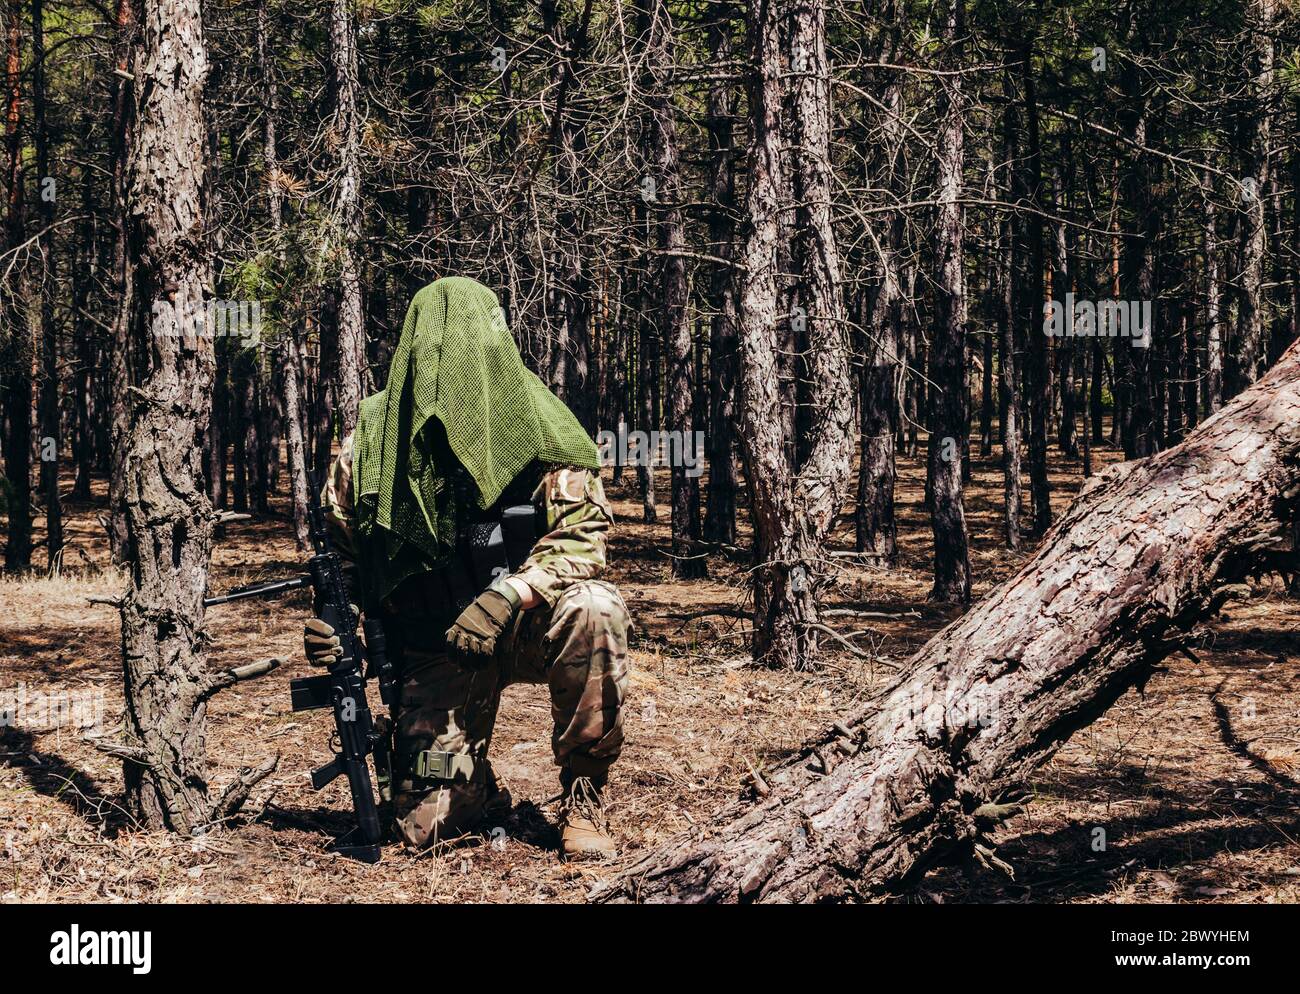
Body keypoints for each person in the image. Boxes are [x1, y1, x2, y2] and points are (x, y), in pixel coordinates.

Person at [302, 276, 630, 859]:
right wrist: (332, 624)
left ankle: (585, 795)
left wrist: (511, 594)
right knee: (427, 827)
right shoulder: (372, 446)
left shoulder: (546, 432)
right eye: (435, 351)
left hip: (527, 627)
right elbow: (344, 561)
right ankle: (474, 786)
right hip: (435, 645)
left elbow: (582, 541)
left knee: (596, 607)